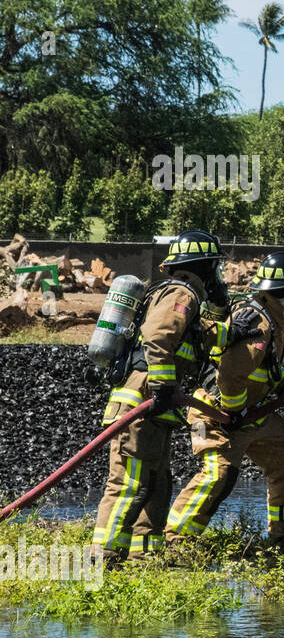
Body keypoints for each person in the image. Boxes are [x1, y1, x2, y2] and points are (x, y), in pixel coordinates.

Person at [166, 251, 284, 546]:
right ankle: (177, 540)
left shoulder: (271, 321)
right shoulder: (257, 324)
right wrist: (234, 413)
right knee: (219, 475)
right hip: (216, 414)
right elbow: (230, 375)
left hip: (251, 415)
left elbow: (263, 370)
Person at [92, 231, 229, 562]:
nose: (219, 277)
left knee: (154, 486)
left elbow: (196, 338)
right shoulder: (182, 293)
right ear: (205, 268)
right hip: (143, 402)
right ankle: (101, 561)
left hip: (152, 407)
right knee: (129, 484)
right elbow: (156, 338)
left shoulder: (177, 296)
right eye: (216, 269)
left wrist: (235, 331)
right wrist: (165, 386)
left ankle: (143, 560)